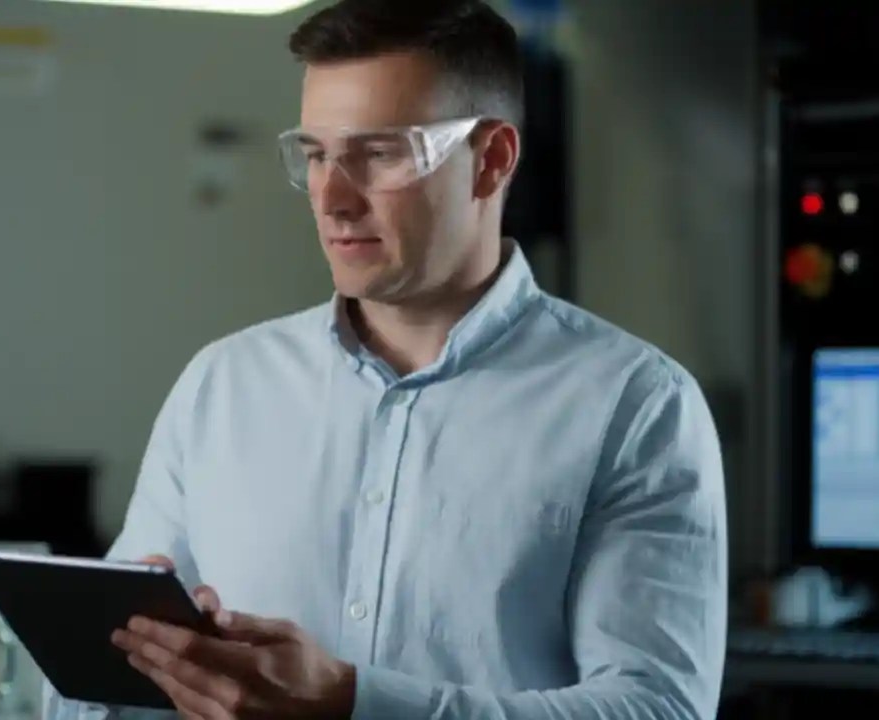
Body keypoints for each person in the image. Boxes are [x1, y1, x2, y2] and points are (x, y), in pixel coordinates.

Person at [46, 0, 728, 717]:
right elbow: (101, 693)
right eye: (315, 155)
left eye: (380, 154)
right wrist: (121, 660)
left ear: (491, 159)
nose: (333, 199)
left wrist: (353, 704)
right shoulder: (223, 386)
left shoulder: (634, 404)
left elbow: (658, 708)